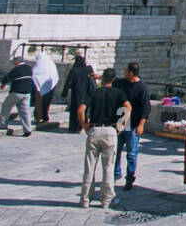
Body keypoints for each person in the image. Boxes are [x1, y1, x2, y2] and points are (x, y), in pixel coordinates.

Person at [79, 68, 131, 209]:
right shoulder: (119, 93)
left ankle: (85, 199)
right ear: (113, 79)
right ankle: (106, 200)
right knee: (108, 167)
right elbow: (128, 107)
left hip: (94, 130)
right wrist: (121, 125)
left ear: (102, 79)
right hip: (110, 131)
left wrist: (84, 124)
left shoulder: (94, 92)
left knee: (89, 167)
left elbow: (81, 109)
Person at [114, 62, 150, 190]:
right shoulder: (121, 83)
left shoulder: (142, 88)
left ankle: (130, 178)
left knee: (131, 153)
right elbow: (110, 80)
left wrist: (141, 125)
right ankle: (116, 173)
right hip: (120, 123)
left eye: (125, 71)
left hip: (133, 125)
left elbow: (146, 108)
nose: (123, 73)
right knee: (115, 151)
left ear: (131, 73)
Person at [0, 55, 36, 137]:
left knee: (6, 106)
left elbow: (7, 77)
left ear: (16, 62)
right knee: (25, 112)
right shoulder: (29, 68)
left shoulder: (16, 69)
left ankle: (3, 125)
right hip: (27, 93)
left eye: (14, 62)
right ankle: (28, 130)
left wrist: (2, 84)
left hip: (17, 92)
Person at [62, 54, 94, 133]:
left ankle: (75, 128)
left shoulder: (74, 71)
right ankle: (85, 126)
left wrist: (64, 93)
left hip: (77, 94)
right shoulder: (89, 69)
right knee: (85, 111)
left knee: (76, 111)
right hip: (88, 93)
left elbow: (68, 83)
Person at [31, 48, 59, 125]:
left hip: (39, 89)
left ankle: (39, 118)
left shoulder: (40, 64)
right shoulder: (51, 63)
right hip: (50, 87)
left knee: (39, 104)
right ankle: (45, 117)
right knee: (46, 104)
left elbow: (34, 74)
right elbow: (55, 76)